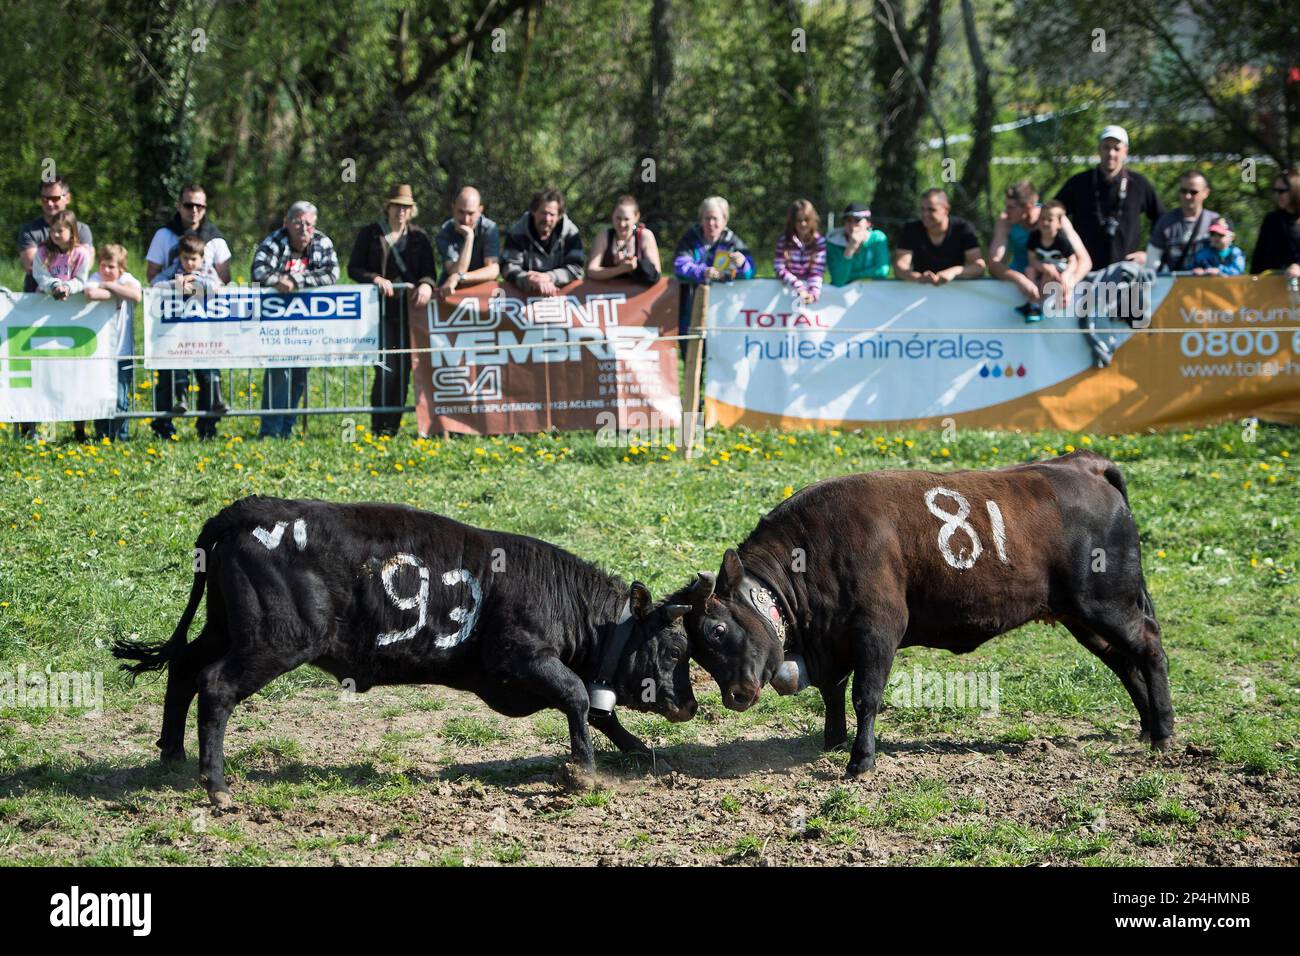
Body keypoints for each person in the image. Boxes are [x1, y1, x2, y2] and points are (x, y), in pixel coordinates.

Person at [347, 184, 438, 436]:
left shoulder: (419, 237)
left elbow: (430, 273)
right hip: (380, 313)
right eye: (397, 206)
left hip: (409, 313)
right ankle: (379, 426)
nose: (401, 212)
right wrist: (375, 278)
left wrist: (426, 285)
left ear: (412, 211)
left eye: (406, 207)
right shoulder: (371, 234)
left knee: (403, 370)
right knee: (386, 369)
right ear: (387, 207)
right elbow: (354, 268)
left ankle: (392, 429)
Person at [251, 201, 340, 439]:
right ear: (286, 222)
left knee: (299, 375)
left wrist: (297, 281)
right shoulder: (274, 241)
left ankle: (286, 429)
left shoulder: (322, 242)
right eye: (298, 222)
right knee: (278, 374)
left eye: (308, 224)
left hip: (307, 326)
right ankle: (270, 430)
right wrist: (279, 280)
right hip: (276, 325)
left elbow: (332, 273)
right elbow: (258, 271)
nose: (303, 229)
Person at [151, 234, 227, 440]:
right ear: (179, 258)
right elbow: (155, 284)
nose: (189, 263)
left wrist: (195, 282)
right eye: (186, 259)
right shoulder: (174, 271)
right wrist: (175, 285)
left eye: (194, 259)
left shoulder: (207, 271)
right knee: (178, 371)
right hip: (177, 335)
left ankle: (211, 420)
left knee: (209, 374)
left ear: (202, 258)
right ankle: (180, 401)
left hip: (205, 335)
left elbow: (216, 286)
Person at [1055, 125, 1162, 270]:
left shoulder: (1139, 184)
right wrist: (1066, 251)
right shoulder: (1079, 183)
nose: (1111, 153)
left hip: (1127, 273)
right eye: (1106, 147)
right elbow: (1054, 216)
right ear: (1099, 149)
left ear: (1125, 151)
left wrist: (1149, 254)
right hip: (1084, 273)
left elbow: (1161, 221)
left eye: (1117, 148)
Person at [31, 210, 93, 441]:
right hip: (45, 312)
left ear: (72, 232)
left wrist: (68, 288)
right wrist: (55, 285)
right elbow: (40, 275)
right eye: (53, 230)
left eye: (61, 230)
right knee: (44, 368)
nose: (56, 234)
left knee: (75, 370)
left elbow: (82, 280)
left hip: (73, 316)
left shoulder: (81, 254)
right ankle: (37, 428)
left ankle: (79, 428)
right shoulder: (43, 252)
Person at [988, 181, 1091, 311]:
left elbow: (1085, 260)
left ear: (1029, 206)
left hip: (1053, 280)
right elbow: (993, 264)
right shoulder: (1005, 221)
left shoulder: (1054, 218)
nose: (1006, 211)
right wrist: (1019, 279)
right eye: (1006, 206)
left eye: (1011, 207)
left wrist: (1069, 284)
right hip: (1020, 284)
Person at [673, 196, 755, 339]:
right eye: (706, 218)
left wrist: (742, 264)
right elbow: (680, 266)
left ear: (725, 220)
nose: (711, 223)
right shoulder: (690, 239)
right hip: (691, 305)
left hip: (722, 310)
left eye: (715, 219)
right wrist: (703, 272)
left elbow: (750, 273)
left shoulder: (732, 242)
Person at [83, 244, 143, 441]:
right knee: (100, 395)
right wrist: (117, 291)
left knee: (120, 397)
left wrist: (109, 286)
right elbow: (91, 293)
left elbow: (136, 295)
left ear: (121, 269)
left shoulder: (126, 279)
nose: (106, 271)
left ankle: (121, 436)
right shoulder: (94, 278)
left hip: (122, 350)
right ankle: (102, 434)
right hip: (99, 352)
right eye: (103, 265)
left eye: (111, 267)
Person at [500, 188, 585, 296]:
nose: (547, 218)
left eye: (552, 214)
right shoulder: (518, 231)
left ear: (559, 216)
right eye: (543, 213)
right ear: (533, 211)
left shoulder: (570, 232)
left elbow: (577, 268)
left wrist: (549, 277)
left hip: (562, 300)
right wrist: (530, 279)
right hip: (523, 298)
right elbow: (508, 267)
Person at [17, 177, 94, 294]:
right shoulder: (29, 230)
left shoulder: (82, 229)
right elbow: (32, 265)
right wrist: (54, 286)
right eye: (45, 198)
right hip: (38, 299)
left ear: (67, 198)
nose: (49, 203)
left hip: (74, 299)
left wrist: (66, 287)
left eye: (55, 198)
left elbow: (86, 264)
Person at [893, 188, 986, 283]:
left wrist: (954, 272)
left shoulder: (963, 228)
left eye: (931, 210)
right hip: (920, 290)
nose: (925, 214)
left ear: (946, 209)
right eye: (922, 209)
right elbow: (900, 266)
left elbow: (978, 267)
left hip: (956, 291)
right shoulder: (911, 229)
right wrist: (918, 277)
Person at [145, 183, 232, 283]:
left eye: (199, 206)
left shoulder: (216, 240)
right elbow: (152, 275)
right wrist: (177, 286)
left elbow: (224, 278)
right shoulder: (163, 235)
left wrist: (200, 284)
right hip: (172, 293)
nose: (194, 210)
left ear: (205, 208)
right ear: (178, 206)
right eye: (188, 205)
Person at [1146, 171, 1219, 274]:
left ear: (1205, 193)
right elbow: (1152, 262)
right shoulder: (1165, 221)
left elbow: (1226, 255)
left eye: (1193, 192)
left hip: (1206, 284)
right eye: (1183, 191)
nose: (1187, 196)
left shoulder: (1215, 221)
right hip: (1174, 285)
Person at [435, 186, 501, 297]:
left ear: (480, 210)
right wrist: (469, 237)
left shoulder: (490, 228)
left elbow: (493, 270)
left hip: (482, 293)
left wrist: (461, 277)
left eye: (471, 213)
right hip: (452, 294)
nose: (465, 219)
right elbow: (455, 271)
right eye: (461, 212)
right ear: (453, 208)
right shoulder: (445, 232)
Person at [1024, 201, 1081, 321]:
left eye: (1049, 220)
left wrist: (1066, 274)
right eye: (1042, 218)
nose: (1045, 223)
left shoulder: (1061, 240)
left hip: (1059, 271)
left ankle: (1039, 305)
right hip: (1043, 268)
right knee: (1029, 270)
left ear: (1059, 223)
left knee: (1048, 274)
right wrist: (1043, 267)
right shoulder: (1034, 237)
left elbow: (1073, 260)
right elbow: (1032, 260)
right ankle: (1032, 301)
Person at [586, 195, 661, 283]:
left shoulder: (645, 236)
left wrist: (634, 265)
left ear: (636, 217)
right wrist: (620, 269)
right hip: (608, 293)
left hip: (639, 294)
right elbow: (591, 271)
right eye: (618, 218)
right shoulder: (603, 236)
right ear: (612, 215)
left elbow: (656, 273)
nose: (622, 224)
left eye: (626, 219)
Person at [774, 199, 826, 303]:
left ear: (812, 219)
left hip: (808, 293)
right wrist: (798, 286)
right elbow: (779, 267)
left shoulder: (819, 242)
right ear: (792, 221)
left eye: (806, 219)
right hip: (786, 291)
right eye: (798, 220)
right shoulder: (784, 241)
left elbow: (817, 271)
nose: (803, 223)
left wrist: (813, 294)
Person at [1251, 168, 1300, 278]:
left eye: (1282, 191)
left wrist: (1298, 266)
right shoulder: (1272, 220)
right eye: (1275, 191)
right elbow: (1259, 257)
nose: (1277, 195)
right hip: (1273, 287)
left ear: (1295, 191)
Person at [825, 203, 890, 285]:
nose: (852, 225)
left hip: (873, 293)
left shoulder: (877, 239)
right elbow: (839, 280)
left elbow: (882, 271)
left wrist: (850, 276)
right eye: (849, 220)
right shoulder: (833, 242)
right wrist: (850, 248)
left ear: (868, 223)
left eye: (857, 220)